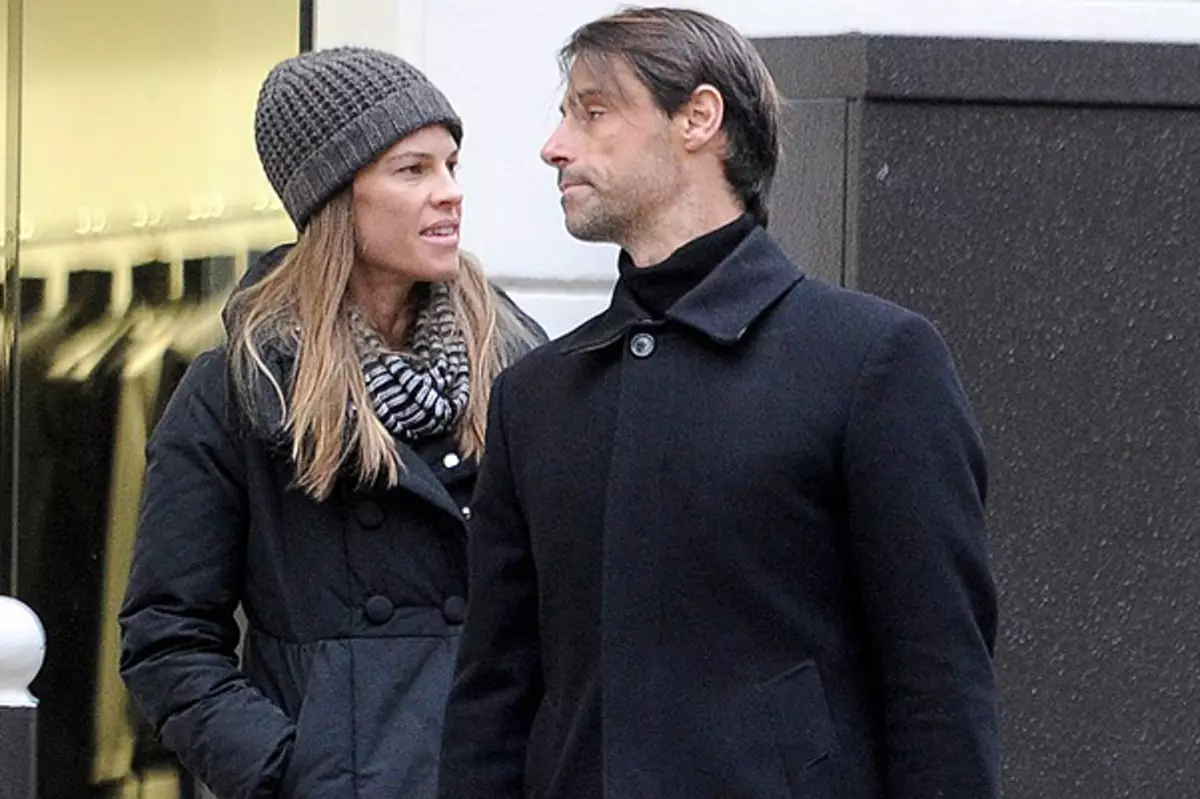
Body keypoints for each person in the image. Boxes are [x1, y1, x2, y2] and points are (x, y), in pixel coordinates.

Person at [437, 7, 999, 799]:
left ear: (699, 117)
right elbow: (491, 704)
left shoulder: (873, 361)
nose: (554, 145)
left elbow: (939, 687)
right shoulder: (536, 396)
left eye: (593, 111)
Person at [118, 46, 544, 799]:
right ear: (336, 198)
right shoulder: (241, 390)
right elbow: (168, 637)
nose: (449, 194)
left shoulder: (514, 359)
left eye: (451, 165)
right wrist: (291, 768)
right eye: (413, 171)